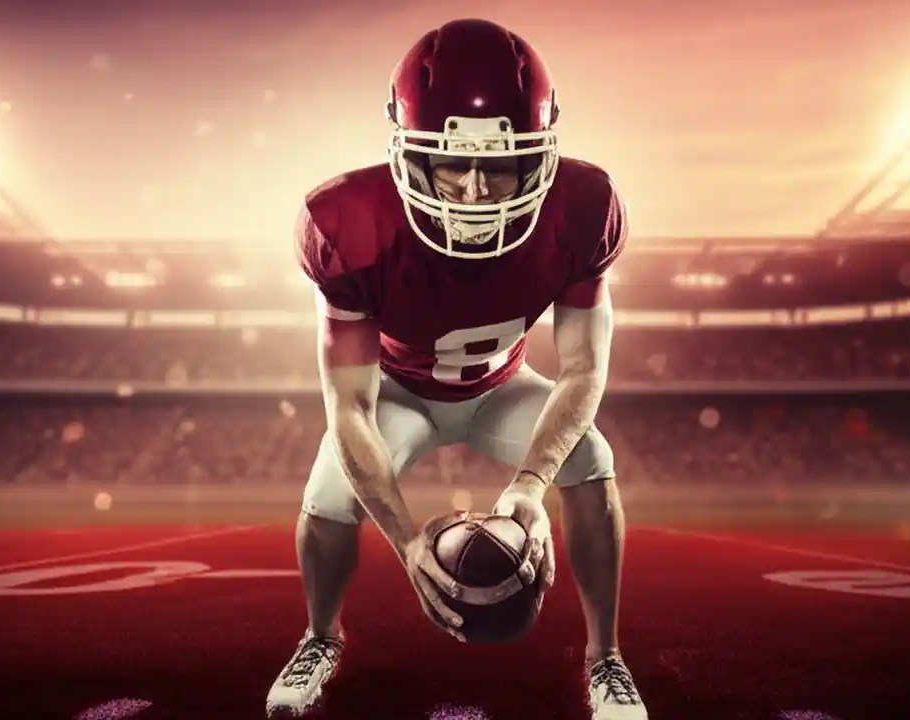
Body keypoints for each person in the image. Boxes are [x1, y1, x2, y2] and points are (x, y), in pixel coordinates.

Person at [266, 18, 646, 720]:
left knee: (590, 456)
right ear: (408, 155)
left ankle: (606, 658)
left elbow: (584, 369)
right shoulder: (345, 222)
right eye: (451, 164)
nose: (474, 192)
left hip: (501, 387)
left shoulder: (583, 209)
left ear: (540, 158)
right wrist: (408, 543)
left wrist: (530, 487)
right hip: (398, 393)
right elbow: (348, 407)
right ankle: (320, 636)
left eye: (500, 166)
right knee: (326, 493)